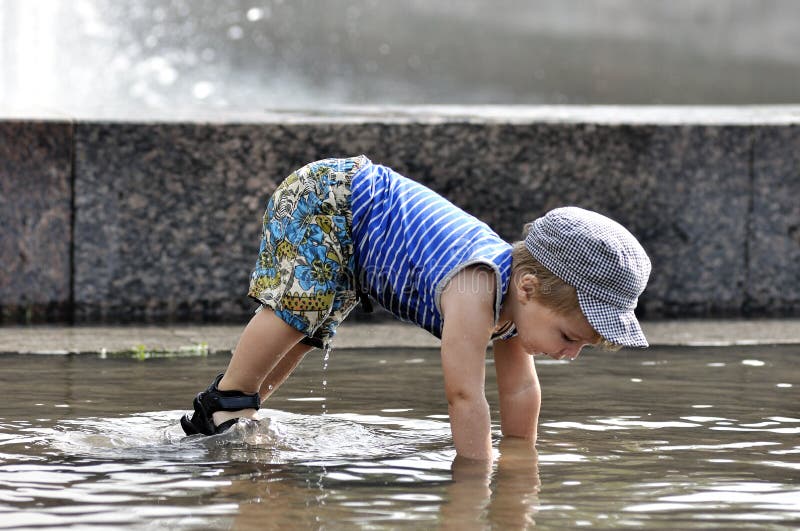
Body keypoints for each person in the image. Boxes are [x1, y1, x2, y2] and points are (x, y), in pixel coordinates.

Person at [180, 155, 651, 461]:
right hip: (333, 197)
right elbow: (465, 396)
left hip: (359, 243)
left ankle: (241, 411)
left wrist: (521, 457)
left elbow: (520, 392)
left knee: (310, 332)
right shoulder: (477, 284)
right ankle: (226, 400)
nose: (570, 354)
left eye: (583, 346)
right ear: (528, 288)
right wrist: (477, 475)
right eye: (569, 337)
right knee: (297, 310)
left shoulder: (517, 313)